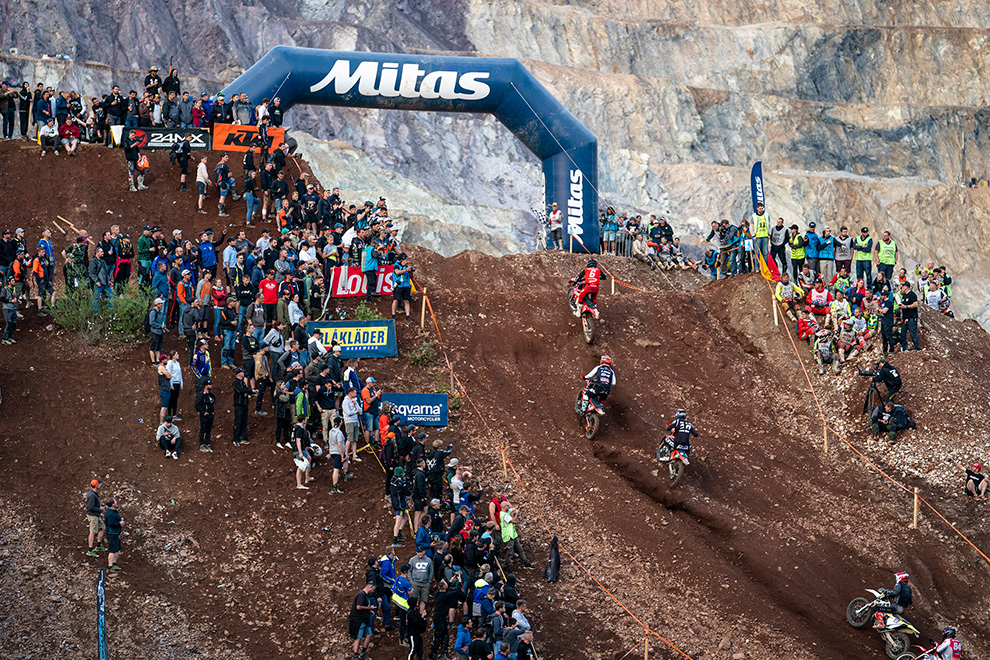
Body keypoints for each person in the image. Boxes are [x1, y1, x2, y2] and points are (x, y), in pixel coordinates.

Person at [499, 501, 533, 572]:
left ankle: (526, 562)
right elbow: (513, 521)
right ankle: (507, 566)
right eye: (508, 506)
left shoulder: (506, 512)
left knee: (520, 549)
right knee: (510, 552)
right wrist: (516, 513)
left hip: (513, 534)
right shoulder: (504, 515)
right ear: (504, 507)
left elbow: (513, 509)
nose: (509, 507)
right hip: (508, 536)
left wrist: (521, 506)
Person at [349, 583, 378, 660]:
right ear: (369, 587)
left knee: (369, 635)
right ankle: (355, 655)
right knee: (358, 638)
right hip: (359, 620)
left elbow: (363, 607)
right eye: (372, 589)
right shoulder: (361, 595)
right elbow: (358, 607)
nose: (372, 591)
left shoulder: (366, 595)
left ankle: (363, 652)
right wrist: (369, 608)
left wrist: (369, 611)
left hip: (365, 619)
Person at [232, 368, 255, 446]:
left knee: (244, 421)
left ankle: (243, 438)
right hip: (239, 405)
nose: (243, 373)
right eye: (242, 372)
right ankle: (236, 439)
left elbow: (245, 390)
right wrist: (251, 391)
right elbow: (241, 390)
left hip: (244, 404)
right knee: (238, 422)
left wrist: (251, 392)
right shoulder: (235, 383)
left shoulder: (243, 383)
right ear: (238, 374)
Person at [85, 479, 107, 557]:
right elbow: (90, 507)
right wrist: (100, 509)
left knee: (103, 527)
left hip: (96, 515)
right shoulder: (92, 495)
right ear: (96, 485)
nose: (100, 485)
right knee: (93, 531)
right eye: (99, 484)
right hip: (93, 515)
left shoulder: (93, 494)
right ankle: (90, 550)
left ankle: (98, 545)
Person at [391, 467, 412, 547]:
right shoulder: (400, 483)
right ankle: (395, 540)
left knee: (405, 517)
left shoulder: (393, 479)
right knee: (398, 521)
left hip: (396, 502)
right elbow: (407, 492)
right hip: (400, 505)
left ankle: (399, 533)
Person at [391, 252, 414, 322]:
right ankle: (393, 315)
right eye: (406, 260)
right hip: (398, 285)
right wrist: (406, 270)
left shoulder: (407, 266)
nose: (407, 261)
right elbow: (397, 272)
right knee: (396, 300)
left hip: (406, 285)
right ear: (402, 260)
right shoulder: (396, 265)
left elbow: (411, 277)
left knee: (406, 301)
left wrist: (411, 272)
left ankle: (407, 316)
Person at [898, 282, 921, 351]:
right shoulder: (904, 295)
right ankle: (904, 348)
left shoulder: (912, 295)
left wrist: (906, 307)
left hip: (911, 317)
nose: (902, 287)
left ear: (907, 287)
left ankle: (917, 348)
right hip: (905, 317)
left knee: (912, 333)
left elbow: (915, 304)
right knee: (902, 333)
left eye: (903, 286)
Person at [195, 379, 216, 453]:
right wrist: (203, 412)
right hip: (204, 415)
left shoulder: (210, 395)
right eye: (209, 385)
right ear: (206, 386)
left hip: (210, 414)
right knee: (203, 429)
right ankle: (202, 444)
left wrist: (212, 412)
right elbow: (197, 405)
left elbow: (212, 403)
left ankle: (207, 444)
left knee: (208, 430)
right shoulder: (201, 395)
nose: (211, 386)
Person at [104, 499, 123, 573]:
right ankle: (110, 566)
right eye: (115, 502)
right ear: (112, 504)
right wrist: (119, 524)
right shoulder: (110, 513)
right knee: (112, 550)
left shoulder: (113, 511)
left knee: (117, 549)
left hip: (115, 533)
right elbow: (111, 523)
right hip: (111, 533)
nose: (116, 502)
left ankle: (114, 563)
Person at [293, 418, 312, 490]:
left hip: (301, 448)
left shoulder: (297, 428)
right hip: (298, 449)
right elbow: (298, 440)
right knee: (300, 466)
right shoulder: (299, 429)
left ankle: (307, 477)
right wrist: (300, 452)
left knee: (309, 458)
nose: (307, 420)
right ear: (303, 420)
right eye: (305, 419)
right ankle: (299, 484)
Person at [406, 596, 428, 660]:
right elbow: (416, 622)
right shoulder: (411, 613)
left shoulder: (415, 611)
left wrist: (422, 618)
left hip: (417, 634)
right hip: (412, 634)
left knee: (420, 650)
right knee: (413, 650)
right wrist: (422, 617)